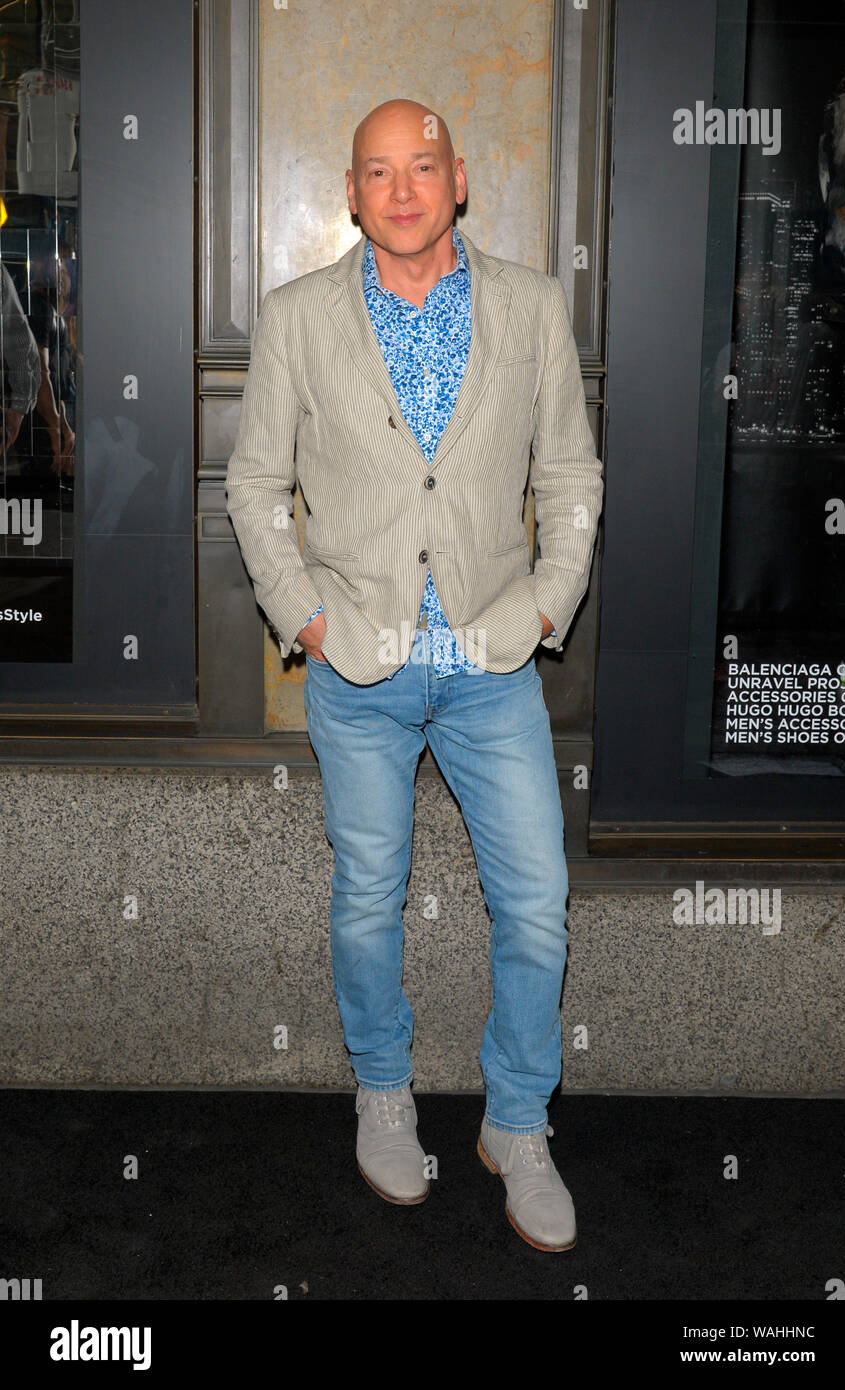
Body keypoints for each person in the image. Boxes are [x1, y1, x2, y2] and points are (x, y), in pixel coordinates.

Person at [226, 98, 604, 1252]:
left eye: (421, 166)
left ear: (457, 180)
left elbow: (572, 475)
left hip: (491, 661)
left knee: (536, 902)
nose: (400, 189)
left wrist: (543, 603)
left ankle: (517, 1122)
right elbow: (251, 488)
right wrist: (307, 618)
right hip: (362, 664)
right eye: (377, 172)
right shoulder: (296, 319)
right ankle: (382, 1094)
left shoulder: (534, 308)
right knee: (365, 899)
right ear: (349, 193)